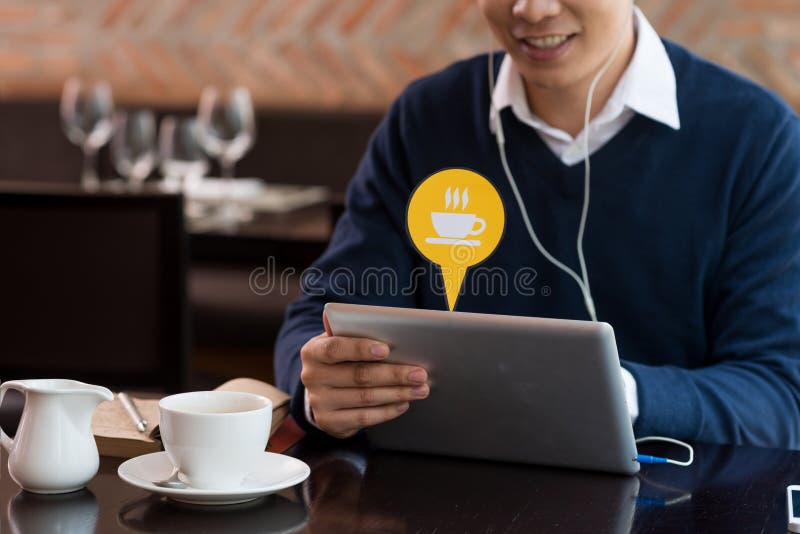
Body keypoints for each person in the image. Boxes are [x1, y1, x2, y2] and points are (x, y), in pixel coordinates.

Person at [275, 0, 800, 447]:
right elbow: (320, 317)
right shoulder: (427, 118)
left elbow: (780, 396)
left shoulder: (757, 139)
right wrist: (319, 386)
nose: (531, 9)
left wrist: (616, 394)